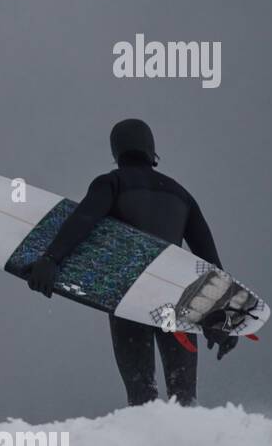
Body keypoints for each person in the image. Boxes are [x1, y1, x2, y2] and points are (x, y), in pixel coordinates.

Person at [26, 119, 236, 406]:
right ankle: (190, 445)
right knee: (185, 396)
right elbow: (209, 260)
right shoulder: (181, 196)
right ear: (152, 151)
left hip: (130, 297)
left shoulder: (111, 183)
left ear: (117, 151)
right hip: (175, 300)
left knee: (141, 394)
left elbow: (83, 221)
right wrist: (222, 314)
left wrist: (51, 259)